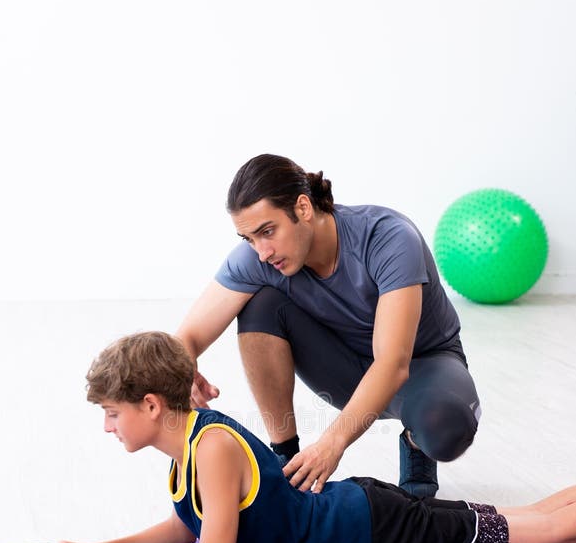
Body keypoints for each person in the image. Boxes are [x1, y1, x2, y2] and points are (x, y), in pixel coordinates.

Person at [38, 332, 576, 543]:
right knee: (529, 520)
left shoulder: (212, 448)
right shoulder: (188, 449)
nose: (108, 426)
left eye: (112, 413)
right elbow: (188, 528)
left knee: (550, 539)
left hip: (373, 539)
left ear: (151, 405)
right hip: (362, 515)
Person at [175, 153, 481, 499]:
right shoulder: (261, 259)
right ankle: (285, 459)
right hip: (344, 368)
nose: (261, 251)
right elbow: (188, 336)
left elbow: (393, 365)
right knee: (260, 306)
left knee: (447, 429)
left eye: (267, 231)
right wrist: (181, 372)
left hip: (421, 365)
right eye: (249, 239)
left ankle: (415, 441)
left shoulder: (388, 238)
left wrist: (330, 446)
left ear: (303, 208)